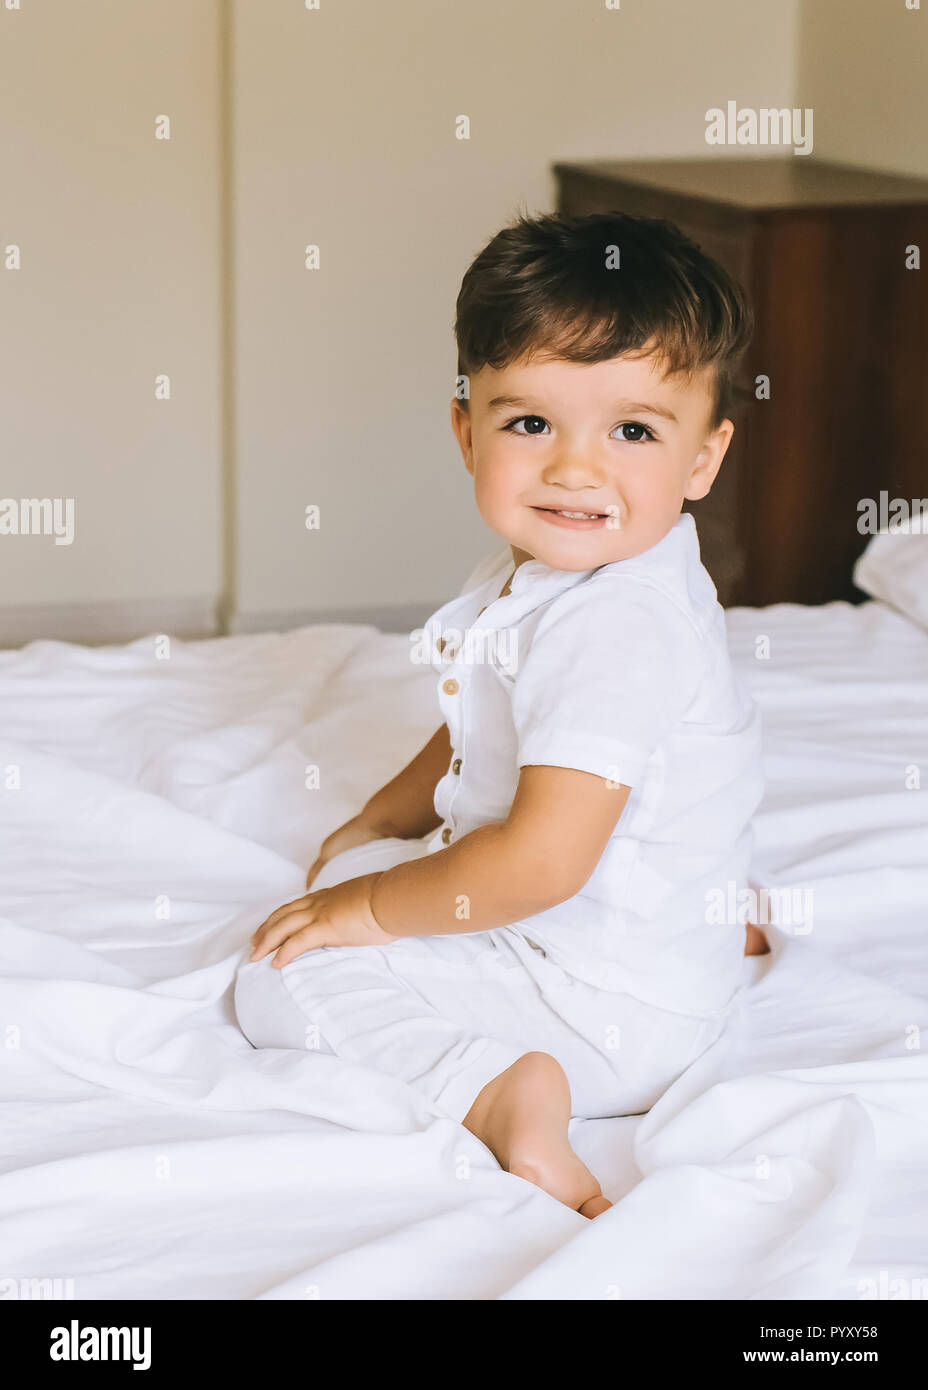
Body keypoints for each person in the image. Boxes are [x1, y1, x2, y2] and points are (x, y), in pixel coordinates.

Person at [235, 211, 767, 1218]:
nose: (574, 469)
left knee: (284, 966)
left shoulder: (614, 626)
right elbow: (483, 712)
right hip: (634, 961)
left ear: (703, 458)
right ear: (465, 428)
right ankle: (697, 904)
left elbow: (538, 866)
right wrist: (386, 819)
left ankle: (497, 1093)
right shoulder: (573, 570)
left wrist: (362, 905)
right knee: (364, 866)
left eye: (634, 431)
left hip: (609, 1014)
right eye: (530, 423)